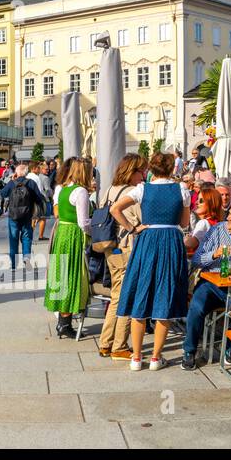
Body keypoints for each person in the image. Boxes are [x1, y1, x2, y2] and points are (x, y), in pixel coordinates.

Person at [112, 151, 191, 371]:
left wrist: (132, 228)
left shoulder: (142, 189)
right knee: (164, 294)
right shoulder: (181, 189)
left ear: (151, 169)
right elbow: (184, 223)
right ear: (172, 169)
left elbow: (115, 209)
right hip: (171, 240)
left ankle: (136, 357)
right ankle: (156, 357)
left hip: (147, 240)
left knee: (142, 293)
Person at [181, 197, 231, 369]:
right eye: (229, 214)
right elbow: (196, 260)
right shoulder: (217, 230)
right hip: (212, 284)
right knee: (197, 307)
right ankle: (189, 350)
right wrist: (214, 255)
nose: (228, 218)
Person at [96, 154, 146, 360]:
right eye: (141, 171)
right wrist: (132, 227)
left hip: (110, 246)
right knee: (125, 295)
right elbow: (140, 218)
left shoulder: (109, 190)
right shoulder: (134, 193)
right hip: (126, 246)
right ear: (132, 172)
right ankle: (118, 345)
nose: (143, 175)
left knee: (117, 294)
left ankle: (107, 342)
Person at [44, 159, 93, 338]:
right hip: (73, 234)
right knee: (72, 276)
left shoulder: (63, 189)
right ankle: (65, 323)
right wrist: (93, 231)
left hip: (62, 233)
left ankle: (62, 322)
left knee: (62, 274)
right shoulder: (81, 192)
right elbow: (83, 222)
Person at [0, 163, 46, 272]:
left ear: (17, 173)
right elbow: (39, 198)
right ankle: (26, 257)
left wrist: (11, 180)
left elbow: (2, 193)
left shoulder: (12, 183)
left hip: (13, 216)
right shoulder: (31, 183)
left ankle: (13, 265)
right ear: (26, 173)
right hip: (27, 215)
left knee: (13, 239)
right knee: (26, 237)